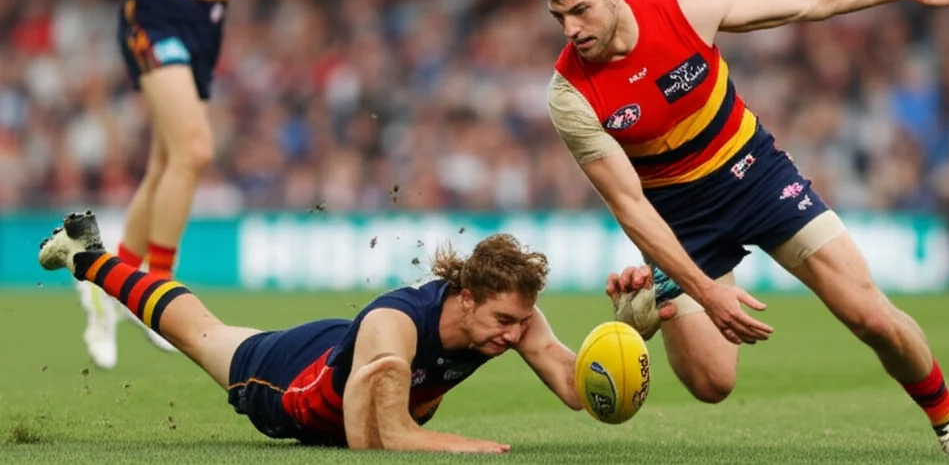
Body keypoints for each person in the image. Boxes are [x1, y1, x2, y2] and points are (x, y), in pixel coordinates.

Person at [530, 0, 949, 456]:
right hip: (678, 215)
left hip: (756, 176)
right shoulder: (569, 95)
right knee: (712, 382)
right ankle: (657, 294)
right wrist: (707, 293)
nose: (571, 29)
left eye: (580, 10)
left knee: (870, 315)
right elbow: (631, 206)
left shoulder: (686, 10)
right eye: (559, 17)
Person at [38, 210, 583, 452]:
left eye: (521, 322)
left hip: (344, 342)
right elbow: (381, 440)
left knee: (208, 331)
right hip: (294, 384)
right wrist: (470, 447)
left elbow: (576, 387)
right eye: (503, 322)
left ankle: (89, 255)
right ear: (467, 299)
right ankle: (87, 257)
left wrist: (627, 322)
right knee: (201, 335)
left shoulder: (513, 319)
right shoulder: (396, 327)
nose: (515, 336)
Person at [45, 0, 288, 369]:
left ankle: (104, 283)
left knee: (165, 164)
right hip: (153, 15)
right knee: (194, 149)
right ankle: (158, 287)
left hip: (205, 27)